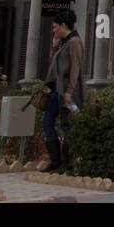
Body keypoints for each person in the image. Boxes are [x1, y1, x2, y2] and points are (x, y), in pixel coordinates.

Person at [41, 10, 86, 172]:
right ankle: (56, 160)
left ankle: (67, 164)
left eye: (55, 27)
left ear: (63, 25)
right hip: (55, 90)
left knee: (67, 125)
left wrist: (70, 91)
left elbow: (76, 68)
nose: (54, 31)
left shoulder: (74, 42)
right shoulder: (63, 43)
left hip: (66, 91)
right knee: (46, 122)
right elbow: (53, 67)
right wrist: (53, 48)